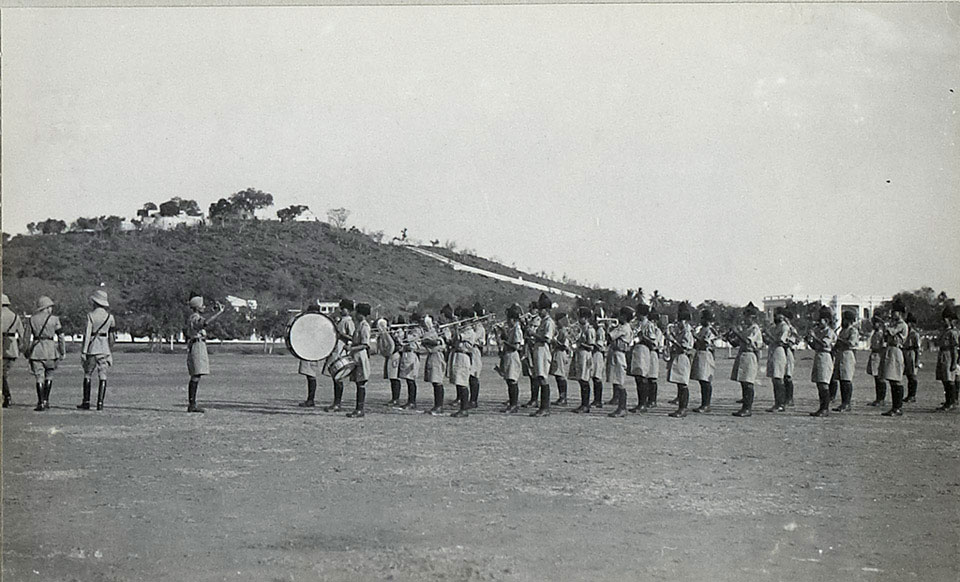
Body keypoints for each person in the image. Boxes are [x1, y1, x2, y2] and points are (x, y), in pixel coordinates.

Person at [185, 296, 225, 413]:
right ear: (197, 307)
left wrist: (213, 310)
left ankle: (192, 403)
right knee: (196, 374)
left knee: (197, 374)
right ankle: (192, 404)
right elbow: (204, 323)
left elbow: (203, 317)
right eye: (202, 306)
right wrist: (218, 313)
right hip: (197, 345)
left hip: (198, 344)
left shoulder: (194, 316)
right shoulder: (195, 318)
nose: (204, 307)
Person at [77, 290, 116, 411]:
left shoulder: (90, 316)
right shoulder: (110, 317)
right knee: (103, 375)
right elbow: (112, 336)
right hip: (104, 348)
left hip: (93, 348)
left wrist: (84, 350)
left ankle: (86, 401)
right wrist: (109, 349)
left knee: (88, 374)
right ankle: (100, 403)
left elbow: (87, 334)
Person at [26, 296, 65, 412]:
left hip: (37, 350)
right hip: (51, 350)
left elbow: (27, 337)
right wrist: (62, 351)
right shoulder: (55, 319)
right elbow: (61, 337)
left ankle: (40, 401)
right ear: (47, 307)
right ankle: (46, 400)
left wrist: (27, 351)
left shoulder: (32, 319)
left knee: (39, 377)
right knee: (49, 376)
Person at [730, 302, 763, 417]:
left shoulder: (755, 329)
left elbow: (748, 341)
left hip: (750, 355)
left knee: (748, 382)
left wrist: (737, 332)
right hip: (743, 354)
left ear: (752, 318)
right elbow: (737, 342)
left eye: (747, 317)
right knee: (743, 381)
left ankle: (748, 408)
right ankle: (744, 406)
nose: (745, 319)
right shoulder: (747, 328)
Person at [323, 299, 356, 412]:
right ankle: (336, 402)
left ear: (349, 310)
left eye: (343, 308)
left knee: (338, 378)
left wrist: (341, 334)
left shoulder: (348, 322)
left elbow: (353, 338)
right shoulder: (341, 320)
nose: (341, 310)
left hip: (341, 352)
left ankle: (338, 403)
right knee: (335, 378)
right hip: (335, 351)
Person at [807, 306, 837, 417]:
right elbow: (815, 346)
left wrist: (814, 337)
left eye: (821, 321)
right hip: (818, 356)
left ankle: (825, 408)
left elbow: (825, 344)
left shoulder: (829, 332)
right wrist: (809, 341)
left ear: (827, 321)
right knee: (819, 383)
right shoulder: (819, 331)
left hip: (825, 356)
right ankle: (821, 407)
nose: (818, 323)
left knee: (824, 383)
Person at [529, 293, 556, 417]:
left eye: (541, 309)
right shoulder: (543, 321)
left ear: (547, 310)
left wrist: (533, 334)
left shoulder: (549, 322)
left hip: (543, 351)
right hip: (538, 350)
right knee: (539, 377)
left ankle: (545, 407)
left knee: (542, 377)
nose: (539, 311)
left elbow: (547, 339)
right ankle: (543, 406)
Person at [606, 306, 635, 417]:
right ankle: (621, 407)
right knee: (617, 380)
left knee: (619, 382)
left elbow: (610, 337)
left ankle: (622, 408)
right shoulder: (623, 327)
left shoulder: (623, 328)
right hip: (617, 354)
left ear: (624, 316)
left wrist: (608, 327)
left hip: (619, 354)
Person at [666, 304, 694, 418]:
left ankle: (683, 408)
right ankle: (681, 408)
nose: (679, 323)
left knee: (683, 384)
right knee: (679, 383)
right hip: (678, 357)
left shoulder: (687, 332)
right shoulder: (681, 331)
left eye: (681, 320)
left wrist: (672, 340)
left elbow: (684, 347)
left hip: (683, 356)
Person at [881, 299, 908, 417]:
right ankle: (895, 406)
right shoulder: (894, 324)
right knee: (892, 380)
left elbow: (891, 332)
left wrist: (886, 326)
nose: (892, 314)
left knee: (896, 379)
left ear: (900, 313)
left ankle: (898, 407)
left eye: (894, 312)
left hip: (896, 351)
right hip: (890, 350)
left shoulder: (901, 325)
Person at [448, 307, 477, 418]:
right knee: (458, 382)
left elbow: (457, 338)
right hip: (458, 355)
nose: (461, 320)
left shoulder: (469, 331)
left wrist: (456, 326)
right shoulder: (463, 330)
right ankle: (462, 407)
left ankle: (464, 409)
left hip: (463, 356)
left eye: (463, 318)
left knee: (462, 382)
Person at [628, 304, 656, 413]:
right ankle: (640, 403)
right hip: (636, 351)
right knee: (638, 378)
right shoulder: (637, 324)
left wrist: (642, 336)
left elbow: (652, 342)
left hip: (644, 351)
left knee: (642, 377)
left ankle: (643, 404)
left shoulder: (649, 325)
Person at [345, 303, 372, 418]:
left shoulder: (365, 326)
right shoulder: (359, 325)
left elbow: (365, 344)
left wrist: (351, 348)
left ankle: (360, 409)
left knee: (361, 383)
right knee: (358, 382)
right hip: (356, 356)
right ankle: (358, 408)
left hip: (360, 356)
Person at [831, 310, 860, 412]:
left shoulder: (853, 331)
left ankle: (847, 403)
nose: (843, 321)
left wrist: (839, 340)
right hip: (840, 355)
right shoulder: (842, 330)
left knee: (846, 379)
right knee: (841, 379)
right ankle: (843, 402)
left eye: (845, 319)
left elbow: (851, 343)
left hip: (848, 355)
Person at [497, 304, 524, 413]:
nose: (507, 321)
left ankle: (514, 405)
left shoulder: (517, 329)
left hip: (513, 355)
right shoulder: (512, 329)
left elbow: (517, 346)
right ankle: (512, 404)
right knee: (509, 380)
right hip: (509, 355)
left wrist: (504, 342)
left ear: (513, 319)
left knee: (512, 380)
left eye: (509, 319)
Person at [764, 307, 791, 413]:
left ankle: (781, 404)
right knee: (774, 379)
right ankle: (777, 402)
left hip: (779, 352)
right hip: (772, 351)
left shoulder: (784, 327)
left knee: (778, 378)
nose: (775, 317)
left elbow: (780, 341)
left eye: (777, 315)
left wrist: (769, 335)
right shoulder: (775, 327)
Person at [690, 309, 717, 413]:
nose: (701, 320)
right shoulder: (702, 329)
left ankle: (706, 404)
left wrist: (695, 337)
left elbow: (706, 343)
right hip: (700, 354)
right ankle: (703, 403)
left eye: (703, 318)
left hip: (706, 354)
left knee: (705, 380)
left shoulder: (710, 330)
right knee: (701, 380)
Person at [296, 305, 323, 408]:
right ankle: (310, 399)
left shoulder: (316, 324)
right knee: (310, 375)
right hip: (310, 351)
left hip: (312, 352)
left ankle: (311, 399)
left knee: (311, 376)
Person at [569, 307, 596, 413]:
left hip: (585, 355)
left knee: (584, 380)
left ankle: (586, 405)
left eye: (581, 317)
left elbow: (591, 347)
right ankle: (583, 403)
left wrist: (580, 343)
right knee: (580, 379)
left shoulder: (590, 330)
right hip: (579, 354)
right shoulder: (579, 329)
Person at [1, 294, 25, 408]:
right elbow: (22, 334)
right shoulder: (15, 316)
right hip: (12, 347)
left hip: (2, 345)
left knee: (2, 374)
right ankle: (6, 396)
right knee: (4, 373)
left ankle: (6, 395)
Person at [934, 305, 959, 411]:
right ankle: (948, 401)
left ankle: (952, 402)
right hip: (942, 355)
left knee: (949, 379)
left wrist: (954, 362)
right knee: (944, 379)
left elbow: (954, 348)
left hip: (949, 355)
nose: (944, 321)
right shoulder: (944, 332)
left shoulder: (952, 333)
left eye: (946, 319)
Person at [421, 314, 447, 415]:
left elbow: (437, 342)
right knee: (434, 380)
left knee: (437, 380)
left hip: (437, 355)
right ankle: (437, 405)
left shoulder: (436, 331)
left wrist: (425, 341)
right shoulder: (428, 332)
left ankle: (439, 406)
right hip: (432, 355)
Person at [396, 313, 423, 410]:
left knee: (411, 379)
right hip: (406, 353)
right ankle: (410, 400)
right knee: (408, 379)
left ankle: (412, 401)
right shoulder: (410, 329)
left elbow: (408, 340)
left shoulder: (416, 330)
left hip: (412, 353)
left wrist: (401, 335)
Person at [521, 301, 542, 408]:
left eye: (532, 309)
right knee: (531, 375)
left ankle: (535, 399)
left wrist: (528, 327)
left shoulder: (537, 320)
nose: (530, 310)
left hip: (533, 347)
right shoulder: (531, 320)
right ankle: (533, 398)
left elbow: (533, 333)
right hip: (528, 348)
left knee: (535, 375)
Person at [379, 315, 401, 406]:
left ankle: (396, 398)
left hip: (393, 356)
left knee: (394, 377)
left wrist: (386, 353)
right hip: (390, 356)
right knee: (392, 377)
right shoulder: (384, 334)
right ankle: (394, 397)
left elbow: (391, 346)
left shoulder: (387, 334)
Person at [549, 312, 571, 406]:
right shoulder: (559, 330)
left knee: (561, 375)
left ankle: (563, 397)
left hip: (561, 353)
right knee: (558, 375)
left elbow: (564, 346)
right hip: (557, 352)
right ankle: (561, 396)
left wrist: (554, 341)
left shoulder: (563, 331)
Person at [468, 303, 487, 409]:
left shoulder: (479, 327)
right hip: (471, 351)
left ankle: (474, 400)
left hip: (475, 351)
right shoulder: (474, 326)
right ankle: (471, 399)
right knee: (470, 376)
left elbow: (473, 338)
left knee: (474, 376)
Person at [866, 315, 887, 407]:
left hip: (879, 355)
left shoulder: (881, 334)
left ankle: (881, 399)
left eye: (876, 323)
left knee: (880, 378)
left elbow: (883, 346)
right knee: (876, 378)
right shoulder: (875, 333)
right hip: (874, 354)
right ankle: (878, 398)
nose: (874, 325)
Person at [903, 313, 922, 404]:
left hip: (912, 353)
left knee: (912, 375)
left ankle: (912, 395)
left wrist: (917, 361)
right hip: (905, 352)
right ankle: (909, 395)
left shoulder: (914, 334)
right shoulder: (906, 332)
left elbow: (917, 349)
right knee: (908, 375)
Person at [782, 308, 800, 407]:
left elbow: (793, 341)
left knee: (787, 375)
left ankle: (789, 398)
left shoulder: (791, 329)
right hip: (782, 352)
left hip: (788, 352)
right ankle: (785, 397)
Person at [590, 315, 607, 409]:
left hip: (598, 354)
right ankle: (596, 399)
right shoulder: (596, 330)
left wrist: (591, 343)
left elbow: (600, 345)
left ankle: (598, 400)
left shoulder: (600, 331)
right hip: (595, 354)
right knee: (594, 377)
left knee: (597, 377)